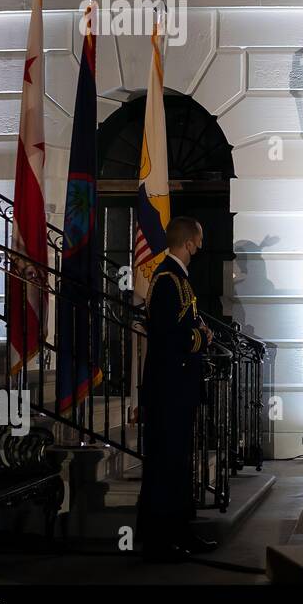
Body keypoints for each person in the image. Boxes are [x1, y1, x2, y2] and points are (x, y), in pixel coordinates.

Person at [137, 217, 217, 560]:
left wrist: (198, 330)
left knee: (178, 464)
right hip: (169, 389)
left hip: (176, 389)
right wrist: (201, 337)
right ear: (188, 244)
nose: (199, 250)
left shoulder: (176, 278)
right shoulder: (169, 280)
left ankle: (180, 531)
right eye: (197, 244)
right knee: (167, 465)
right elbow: (170, 336)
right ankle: (161, 539)